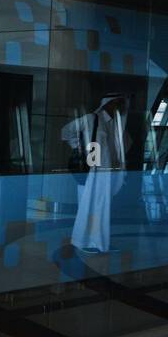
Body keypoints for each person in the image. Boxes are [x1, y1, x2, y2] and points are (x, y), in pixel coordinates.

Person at [61, 94, 128, 253]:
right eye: (118, 104)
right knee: (89, 206)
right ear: (110, 104)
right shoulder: (91, 118)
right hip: (91, 172)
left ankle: (98, 241)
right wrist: (78, 147)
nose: (121, 108)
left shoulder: (113, 124)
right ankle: (82, 241)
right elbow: (66, 131)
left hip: (106, 174)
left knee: (100, 208)